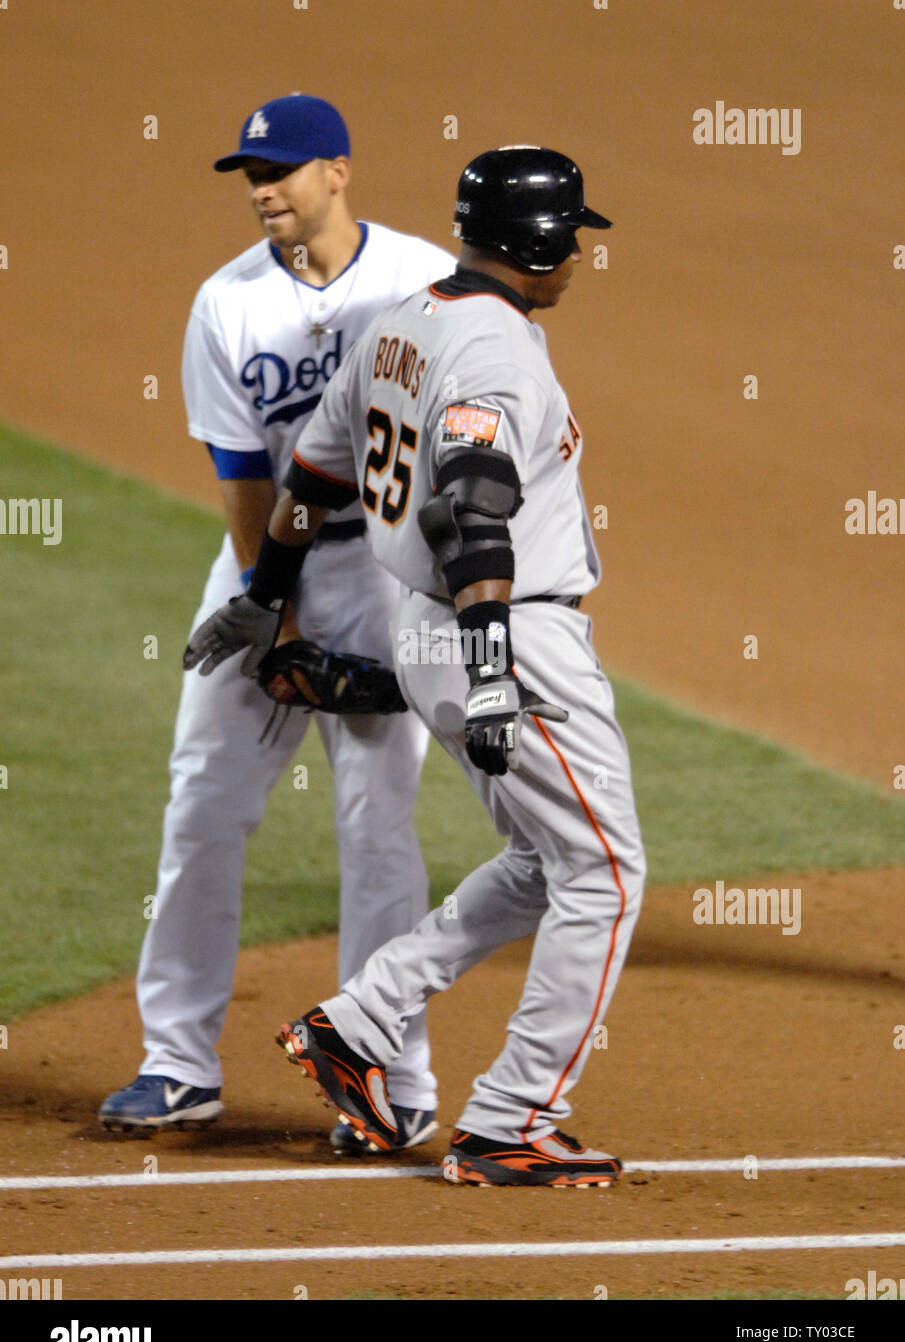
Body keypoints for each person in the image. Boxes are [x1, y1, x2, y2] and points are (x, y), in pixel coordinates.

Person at [184, 145, 646, 1188]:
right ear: (531, 240)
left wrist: (265, 589)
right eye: (569, 232)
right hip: (506, 635)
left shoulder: (402, 324)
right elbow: (474, 514)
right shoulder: (494, 352)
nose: (575, 252)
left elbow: (310, 472)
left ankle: (358, 1020)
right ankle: (511, 1117)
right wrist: (492, 674)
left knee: (543, 861)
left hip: (424, 633)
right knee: (607, 876)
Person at [99, 94, 456, 1150]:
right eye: (251, 173)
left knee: (375, 826)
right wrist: (271, 605)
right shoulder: (226, 303)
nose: (264, 188)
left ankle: (387, 1075)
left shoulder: (419, 279)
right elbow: (240, 468)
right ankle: (175, 1061)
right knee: (203, 804)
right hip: (261, 568)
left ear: (338, 170)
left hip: (388, 572)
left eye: (284, 169)